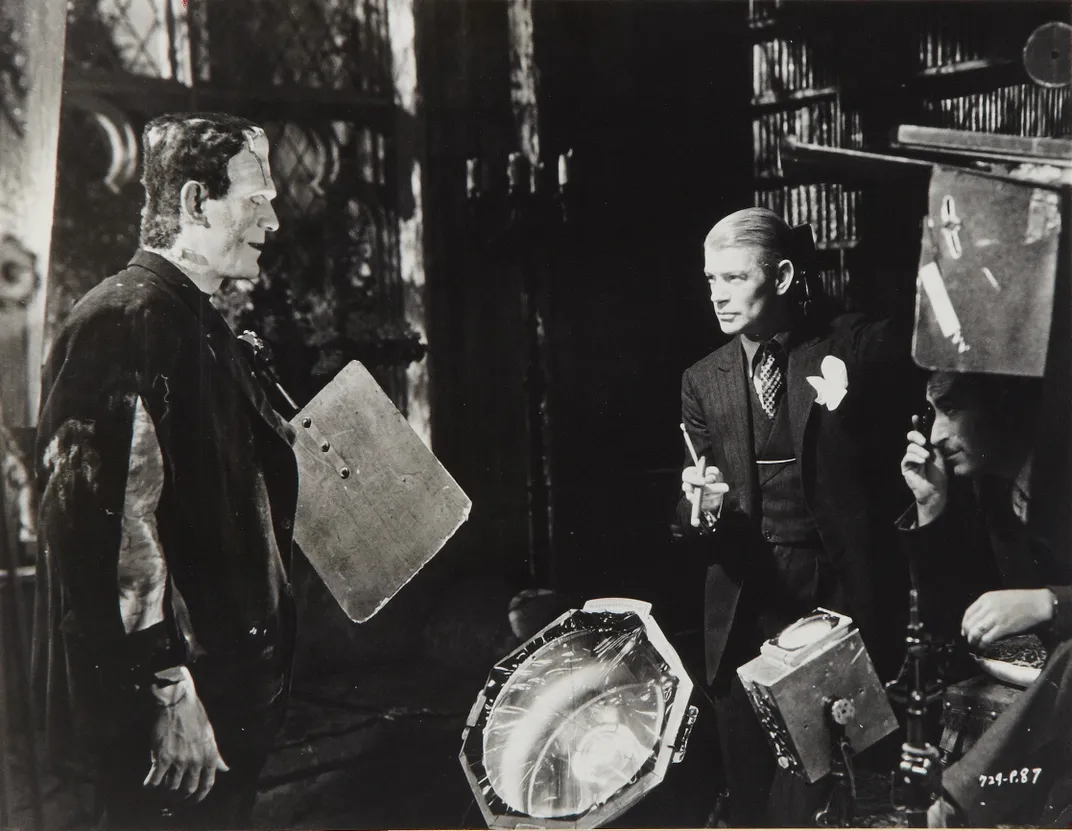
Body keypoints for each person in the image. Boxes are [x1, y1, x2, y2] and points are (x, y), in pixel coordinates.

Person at [33, 112, 297, 829]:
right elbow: (112, 530)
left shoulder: (193, 319)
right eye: (256, 200)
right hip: (179, 713)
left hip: (223, 698)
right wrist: (167, 691)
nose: (273, 220)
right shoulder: (125, 320)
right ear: (191, 202)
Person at [678, 207, 912, 826]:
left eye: (732, 278)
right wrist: (698, 506)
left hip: (840, 598)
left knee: (838, 791)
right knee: (754, 797)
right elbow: (689, 512)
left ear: (780, 277)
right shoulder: (704, 380)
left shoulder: (852, 347)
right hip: (748, 605)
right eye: (709, 281)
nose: (717, 296)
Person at [898, 370, 1072, 826]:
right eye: (933, 412)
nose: (935, 435)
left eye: (952, 410)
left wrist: (1048, 603)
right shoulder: (990, 487)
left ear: (1005, 402)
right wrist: (931, 505)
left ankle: (956, 803)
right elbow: (950, 626)